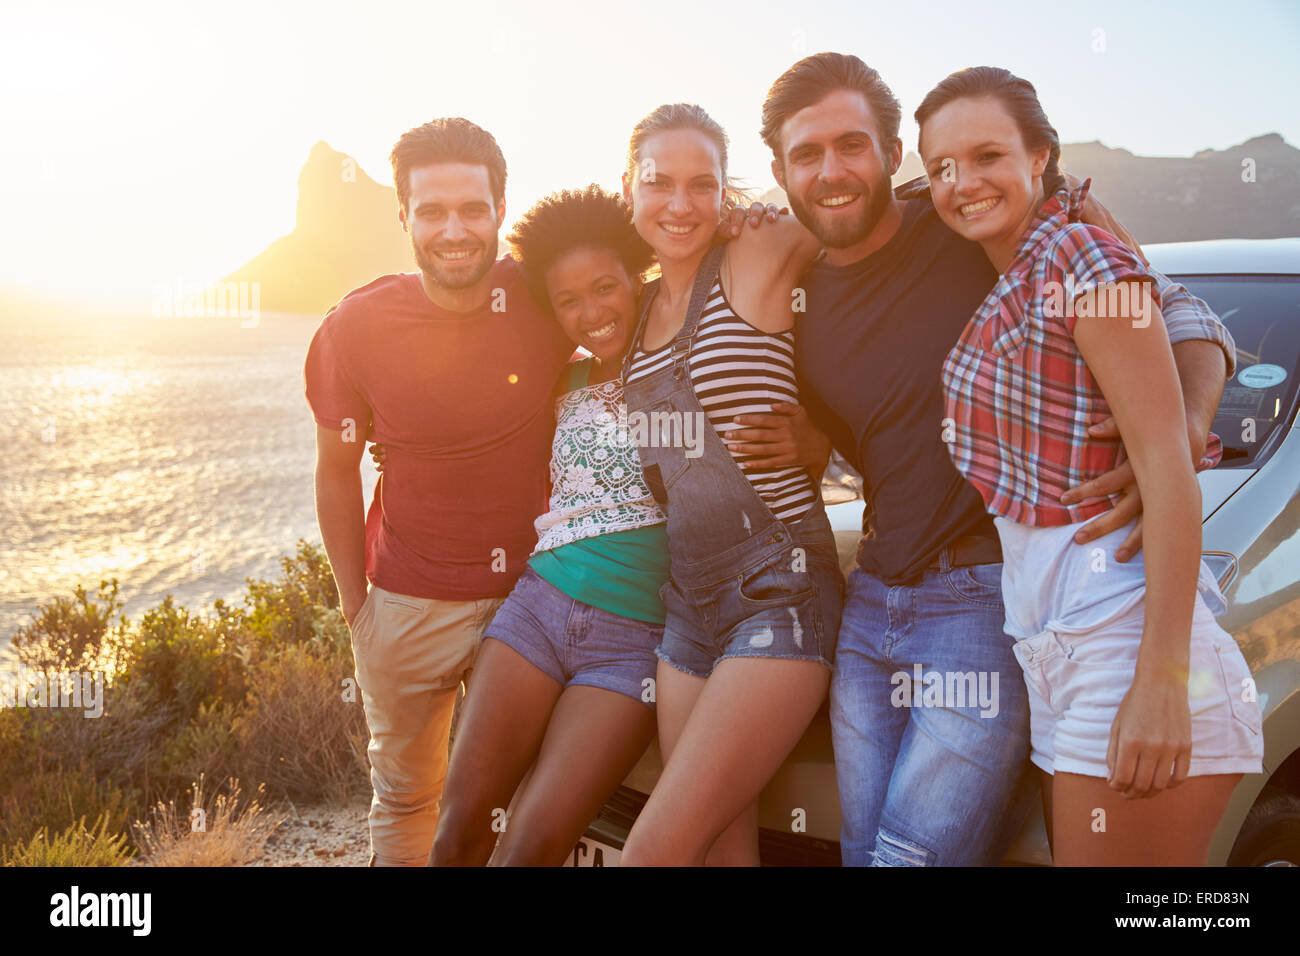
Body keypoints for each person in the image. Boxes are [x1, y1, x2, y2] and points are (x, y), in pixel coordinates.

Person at [758, 52, 1240, 865]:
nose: (832, 172)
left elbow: (1174, 305)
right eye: (806, 154)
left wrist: (1182, 431)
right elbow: (901, 425)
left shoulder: (983, 228)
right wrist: (818, 440)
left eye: (852, 145)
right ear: (780, 169)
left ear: (887, 153)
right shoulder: (803, 285)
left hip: (986, 603)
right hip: (883, 599)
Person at [915, 65, 1263, 865]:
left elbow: (1169, 475)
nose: (960, 183)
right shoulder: (1029, 264)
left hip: (1123, 640)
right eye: (940, 167)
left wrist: (1163, 684)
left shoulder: (1078, 256)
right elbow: (1183, 308)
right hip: (1060, 638)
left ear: (1040, 156)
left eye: (987, 156)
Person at [304, 117, 577, 866]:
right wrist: (357, 607)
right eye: (431, 211)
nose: (453, 230)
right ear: (404, 218)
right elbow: (336, 469)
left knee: (519, 804)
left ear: (499, 210)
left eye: (472, 209)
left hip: (533, 600)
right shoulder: (354, 327)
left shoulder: (543, 295)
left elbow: (648, 275)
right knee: (404, 799)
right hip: (404, 604)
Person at [616, 103, 842, 866]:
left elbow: (871, 212)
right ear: (629, 189)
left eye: (701, 184)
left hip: (780, 586)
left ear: (726, 192)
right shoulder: (636, 310)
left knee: (655, 850)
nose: (680, 204)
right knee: (721, 851)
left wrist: (831, 436)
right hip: (687, 608)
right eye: (660, 183)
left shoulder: (759, 252)